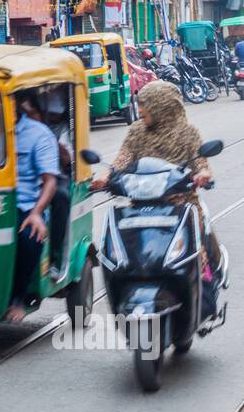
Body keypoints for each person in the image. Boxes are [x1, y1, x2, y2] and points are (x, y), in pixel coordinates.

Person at [92, 80, 221, 273]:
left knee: (196, 246)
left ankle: (205, 281)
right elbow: (123, 158)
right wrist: (105, 176)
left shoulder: (187, 133)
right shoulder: (137, 131)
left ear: (161, 106)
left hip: (181, 203)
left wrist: (203, 174)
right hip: (141, 203)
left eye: (145, 105)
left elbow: (200, 162)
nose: (140, 110)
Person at [7, 90, 59, 323]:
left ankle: (19, 298)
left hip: (24, 205)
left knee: (29, 238)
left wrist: (37, 213)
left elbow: (50, 180)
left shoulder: (38, 134)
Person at [45, 88, 72, 279]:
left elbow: (68, 160)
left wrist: (55, 146)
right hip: (30, 176)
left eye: (55, 115)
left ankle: (55, 259)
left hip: (58, 175)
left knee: (61, 197)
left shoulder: (65, 128)